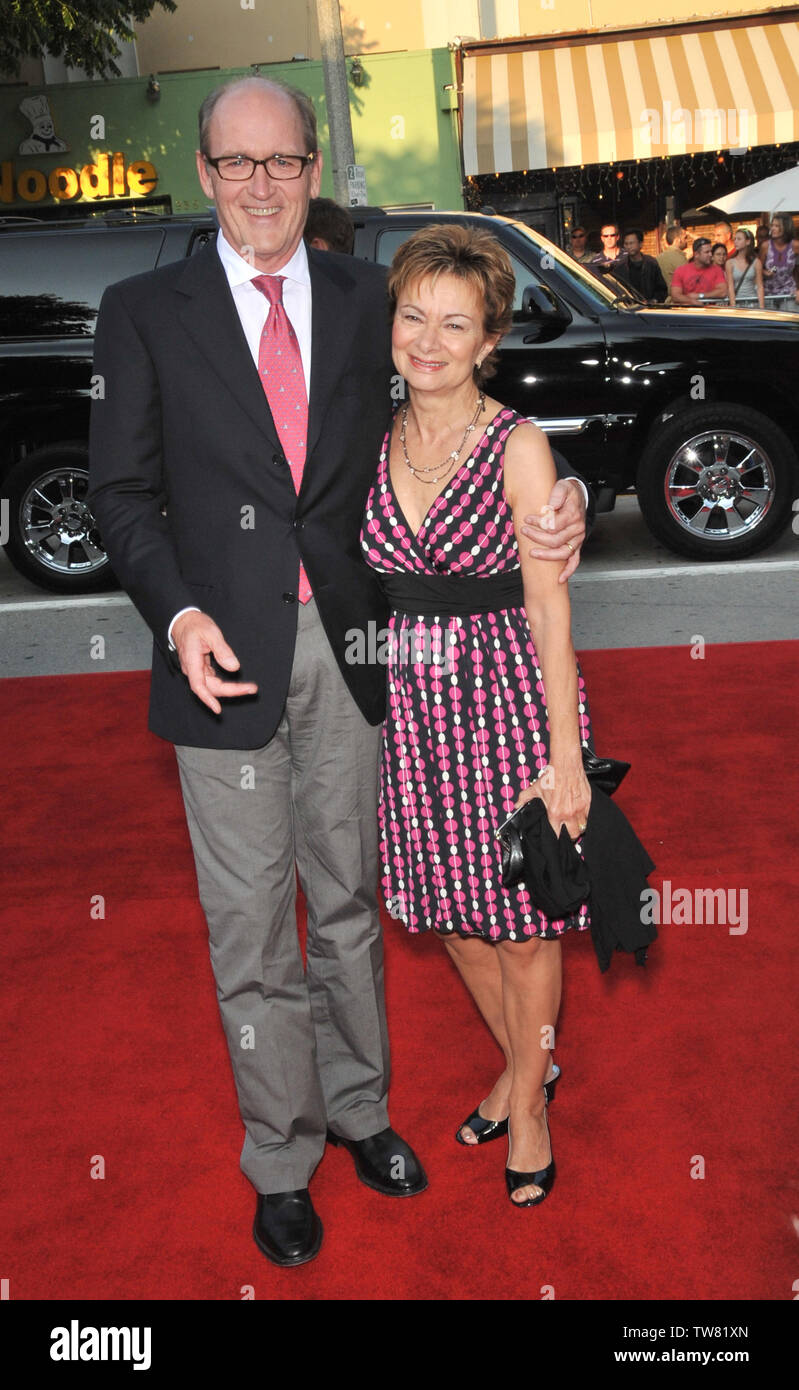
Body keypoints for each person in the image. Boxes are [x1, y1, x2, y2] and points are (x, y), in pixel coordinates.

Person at [88, 77, 590, 1266]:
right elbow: (116, 494)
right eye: (235, 163)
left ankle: (362, 1109)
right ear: (203, 174)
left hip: (371, 656)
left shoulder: (376, 298)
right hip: (219, 658)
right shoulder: (141, 309)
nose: (260, 183)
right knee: (251, 927)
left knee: (353, 907)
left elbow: (461, 400)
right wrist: (178, 612)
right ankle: (282, 1156)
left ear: (312, 171)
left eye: (282, 161)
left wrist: (560, 490)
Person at [361, 224, 595, 1209]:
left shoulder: (518, 445)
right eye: (414, 314)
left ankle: (530, 1109)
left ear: (488, 340)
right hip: (414, 708)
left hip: (504, 705)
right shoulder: (370, 439)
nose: (428, 339)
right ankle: (520, 1062)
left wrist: (564, 756)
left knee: (523, 924)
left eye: (454, 322)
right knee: (451, 917)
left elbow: (549, 603)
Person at [669, 238, 727, 305]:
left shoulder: (717, 270)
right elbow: (675, 295)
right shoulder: (680, 271)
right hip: (687, 313)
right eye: (707, 252)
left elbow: (723, 292)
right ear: (696, 254)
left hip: (710, 312)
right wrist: (692, 302)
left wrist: (700, 296)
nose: (711, 255)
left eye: (711, 251)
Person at [760, 213, 797, 310]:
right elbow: (757, 268)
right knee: (771, 324)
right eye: (772, 225)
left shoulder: (795, 245)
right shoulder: (765, 246)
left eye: (776, 226)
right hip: (768, 294)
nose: (772, 228)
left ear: (786, 227)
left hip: (789, 292)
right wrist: (765, 273)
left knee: (790, 323)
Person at [619, 229, 667, 302]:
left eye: (631, 243)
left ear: (640, 244)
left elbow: (662, 289)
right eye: (626, 244)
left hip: (650, 308)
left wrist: (654, 300)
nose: (628, 246)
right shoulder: (621, 267)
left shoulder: (651, 263)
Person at [726, 227, 765, 309]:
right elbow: (730, 286)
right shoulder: (730, 263)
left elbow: (760, 286)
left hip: (753, 302)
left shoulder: (756, 262)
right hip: (738, 303)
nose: (735, 241)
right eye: (735, 239)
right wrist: (733, 306)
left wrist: (761, 307)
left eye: (739, 239)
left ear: (748, 241)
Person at [657, 225, 688, 299]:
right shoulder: (680, 258)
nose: (687, 241)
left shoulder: (659, 257)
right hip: (678, 302)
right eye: (685, 238)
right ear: (678, 240)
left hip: (662, 301)